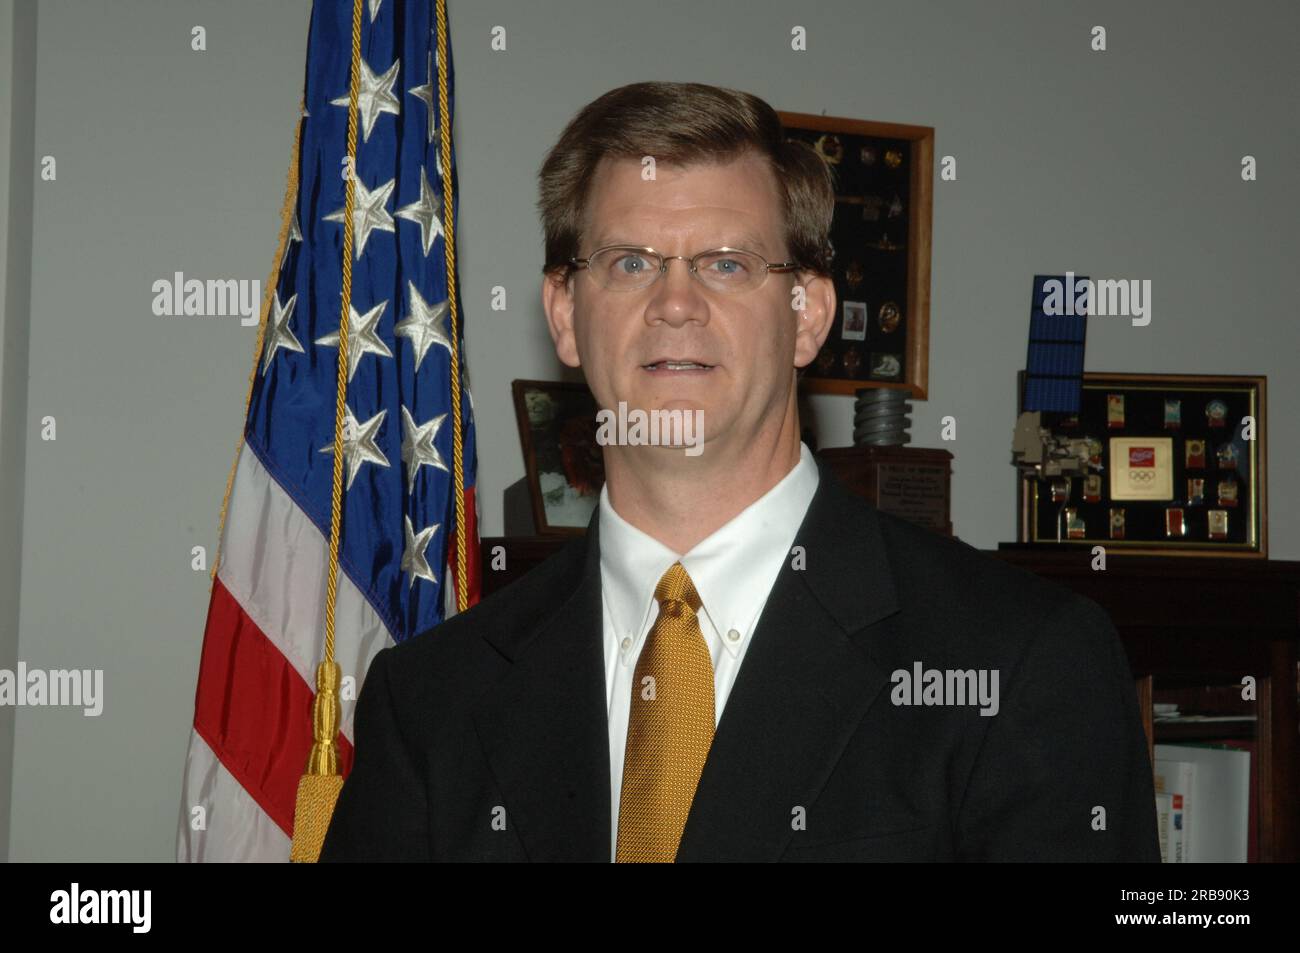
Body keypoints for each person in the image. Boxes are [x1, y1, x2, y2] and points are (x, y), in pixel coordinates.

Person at [320, 81, 1159, 862]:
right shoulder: (431, 699)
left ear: (808, 316)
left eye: (726, 263)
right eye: (629, 261)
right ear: (565, 316)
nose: (675, 303)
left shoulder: (1020, 663)